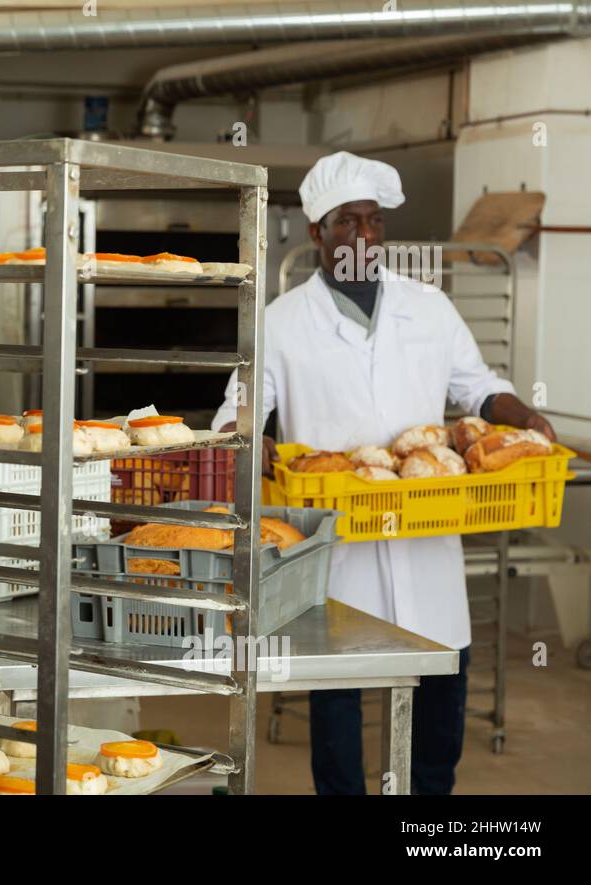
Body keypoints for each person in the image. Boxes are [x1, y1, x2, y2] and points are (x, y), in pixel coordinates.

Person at [211, 151, 554, 795]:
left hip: (427, 534)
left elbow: (477, 388)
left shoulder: (428, 309)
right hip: (336, 542)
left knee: (441, 690)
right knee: (337, 703)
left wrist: (523, 415)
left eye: (373, 222)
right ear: (316, 232)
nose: (363, 236)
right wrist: (245, 440)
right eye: (347, 223)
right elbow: (241, 410)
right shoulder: (281, 324)